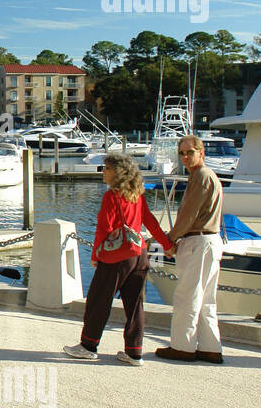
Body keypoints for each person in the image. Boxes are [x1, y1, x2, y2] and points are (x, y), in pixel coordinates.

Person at [63, 153, 174, 366]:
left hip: (117, 257)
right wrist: (167, 245)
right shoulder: (137, 195)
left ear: (118, 173)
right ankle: (134, 352)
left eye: (106, 168)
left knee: (98, 301)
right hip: (139, 255)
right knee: (134, 305)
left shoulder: (111, 197)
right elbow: (150, 222)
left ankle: (88, 346)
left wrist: (96, 255)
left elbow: (104, 229)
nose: (103, 171)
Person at [157, 136, 225, 364]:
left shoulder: (201, 177)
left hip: (198, 242)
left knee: (188, 295)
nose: (185, 157)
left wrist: (170, 240)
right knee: (206, 298)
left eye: (190, 152)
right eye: (182, 153)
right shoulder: (209, 176)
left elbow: (188, 216)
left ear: (201, 152)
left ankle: (183, 347)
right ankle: (210, 347)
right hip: (211, 241)